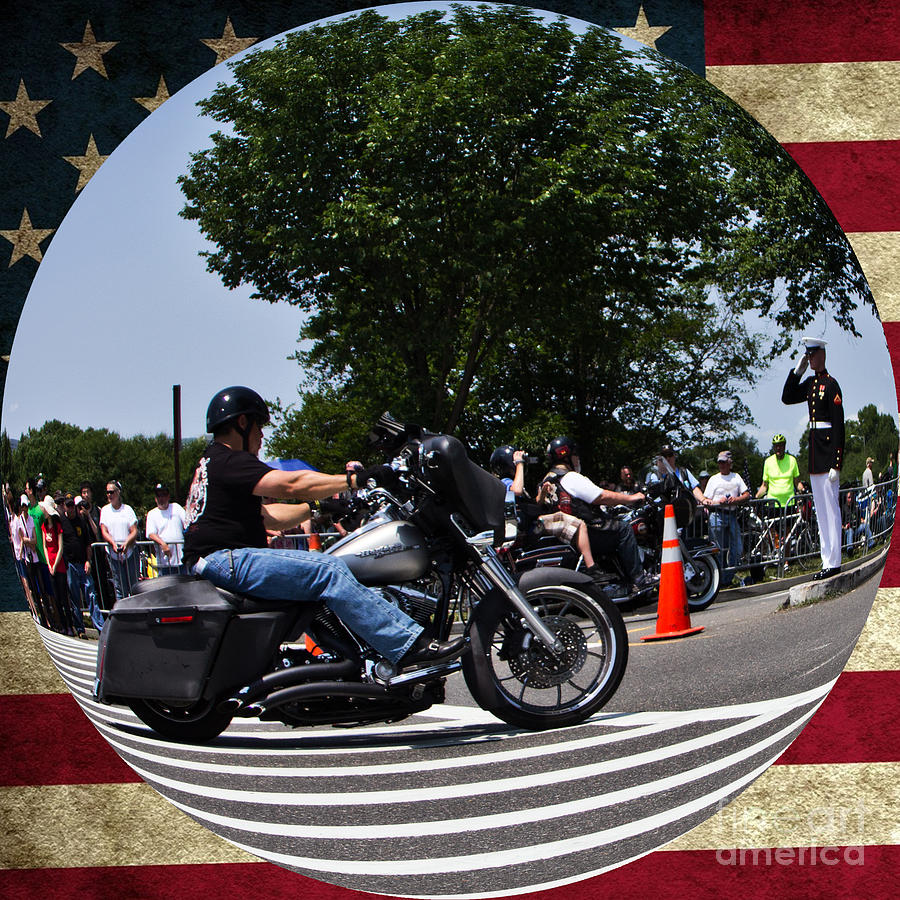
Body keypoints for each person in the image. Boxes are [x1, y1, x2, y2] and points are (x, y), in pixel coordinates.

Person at [182, 385, 464, 669]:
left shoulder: (212, 463)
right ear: (242, 423)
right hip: (227, 560)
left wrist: (320, 511)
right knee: (329, 570)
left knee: (322, 572)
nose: (262, 436)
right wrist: (355, 480)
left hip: (219, 561)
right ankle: (409, 645)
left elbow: (267, 517)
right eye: (259, 427)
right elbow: (292, 484)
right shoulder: (229, 459)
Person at [536, 436, 655, 596]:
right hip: (588, 531)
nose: (578, 458)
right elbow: (601, 496)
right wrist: (632, 498)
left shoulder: (547, 479)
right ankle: (639, 578)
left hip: (568, 534)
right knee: (624, 529)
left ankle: (620, 576)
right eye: (576, 455)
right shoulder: (570, 477)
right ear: (567, 456)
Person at [489, 445, 604, 581]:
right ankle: (591, 567)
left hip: (533, 523)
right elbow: (516, 491)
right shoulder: (505, 482)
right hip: (530, 528)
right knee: (578, 524)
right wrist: (519, 463)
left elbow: (534, 505)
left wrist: (543, 493)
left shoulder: (513, 482)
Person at [782, 336, 845, 580]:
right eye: (807, 356)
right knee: (820, 511)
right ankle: (826, 560)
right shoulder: (810, 383)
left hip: (828, 452)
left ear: (822, 355)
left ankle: (835, 561)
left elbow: (839, 426)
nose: (810, 359)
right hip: (815, 453)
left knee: (831, 509)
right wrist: (796, 373)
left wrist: (836, 463)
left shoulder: (831, 385)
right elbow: (787, 397)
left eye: (812, 355)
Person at [702, 450, 750, 588]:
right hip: (717, 515)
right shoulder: (714, 479)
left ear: (730, 463)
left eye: (724, 462)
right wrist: (718, 501)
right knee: (718, 549)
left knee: (737, 548)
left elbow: (746, 494)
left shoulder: (736, 477)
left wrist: (736, 499)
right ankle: (719, 580)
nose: (721, 465)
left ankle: (727, 578)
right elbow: (706, 499)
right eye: (719, 462)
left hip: (732, 515)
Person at [60, 492, 104, 633]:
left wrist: (88, 561)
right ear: (65, 507)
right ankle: (79, 628)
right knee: (74, 597)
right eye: (68, 506)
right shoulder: (62, 521)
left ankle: (100, 627)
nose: (71, 508)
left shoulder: (81, 521)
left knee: (91, 595)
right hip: (70, 565)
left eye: (72, 506)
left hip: (82, 562)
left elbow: (87, 544)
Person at [40, 496, 82, 635]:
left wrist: (55, 563)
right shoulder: (44, 526)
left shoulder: (57, 526)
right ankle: (63, 625)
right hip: (50, 564)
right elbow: (45, 547)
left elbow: (60, 547)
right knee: (56, 599)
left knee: (64, 598)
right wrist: (49, 564)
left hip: (60, 565)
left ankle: (70, 625)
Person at [100, 480, 139, 599]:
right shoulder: (105, 510)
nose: (109, 495)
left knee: (134, 586)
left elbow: (134, 530)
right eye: (107, 492)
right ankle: (123, 614)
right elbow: (104, 530)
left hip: (130, 553)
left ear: (118, 492)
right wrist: (113, 543)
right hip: (114, 554)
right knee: (119, 588)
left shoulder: (127, 510)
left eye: (111, 492)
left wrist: (126, 543)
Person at [145, 483, 187, 575]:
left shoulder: (176, 508)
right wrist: (163, 544)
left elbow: (187, 523)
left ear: (168, 496)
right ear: (155, 498)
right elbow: (151, 534)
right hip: (164, 563)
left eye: (164, 495)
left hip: (181, 560)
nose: (161, 498)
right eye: (159, 495)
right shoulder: (152, 514)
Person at [756, 434, 804, 508]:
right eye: (776, 446)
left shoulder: (792, 460)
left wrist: (804, 490)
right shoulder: (768, 462)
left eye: (780, 445)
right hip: (772, 502)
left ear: (784, 446)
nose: (778, 448)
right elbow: (764, 486)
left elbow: (797, 483)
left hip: (789, 502)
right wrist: (756, 497)